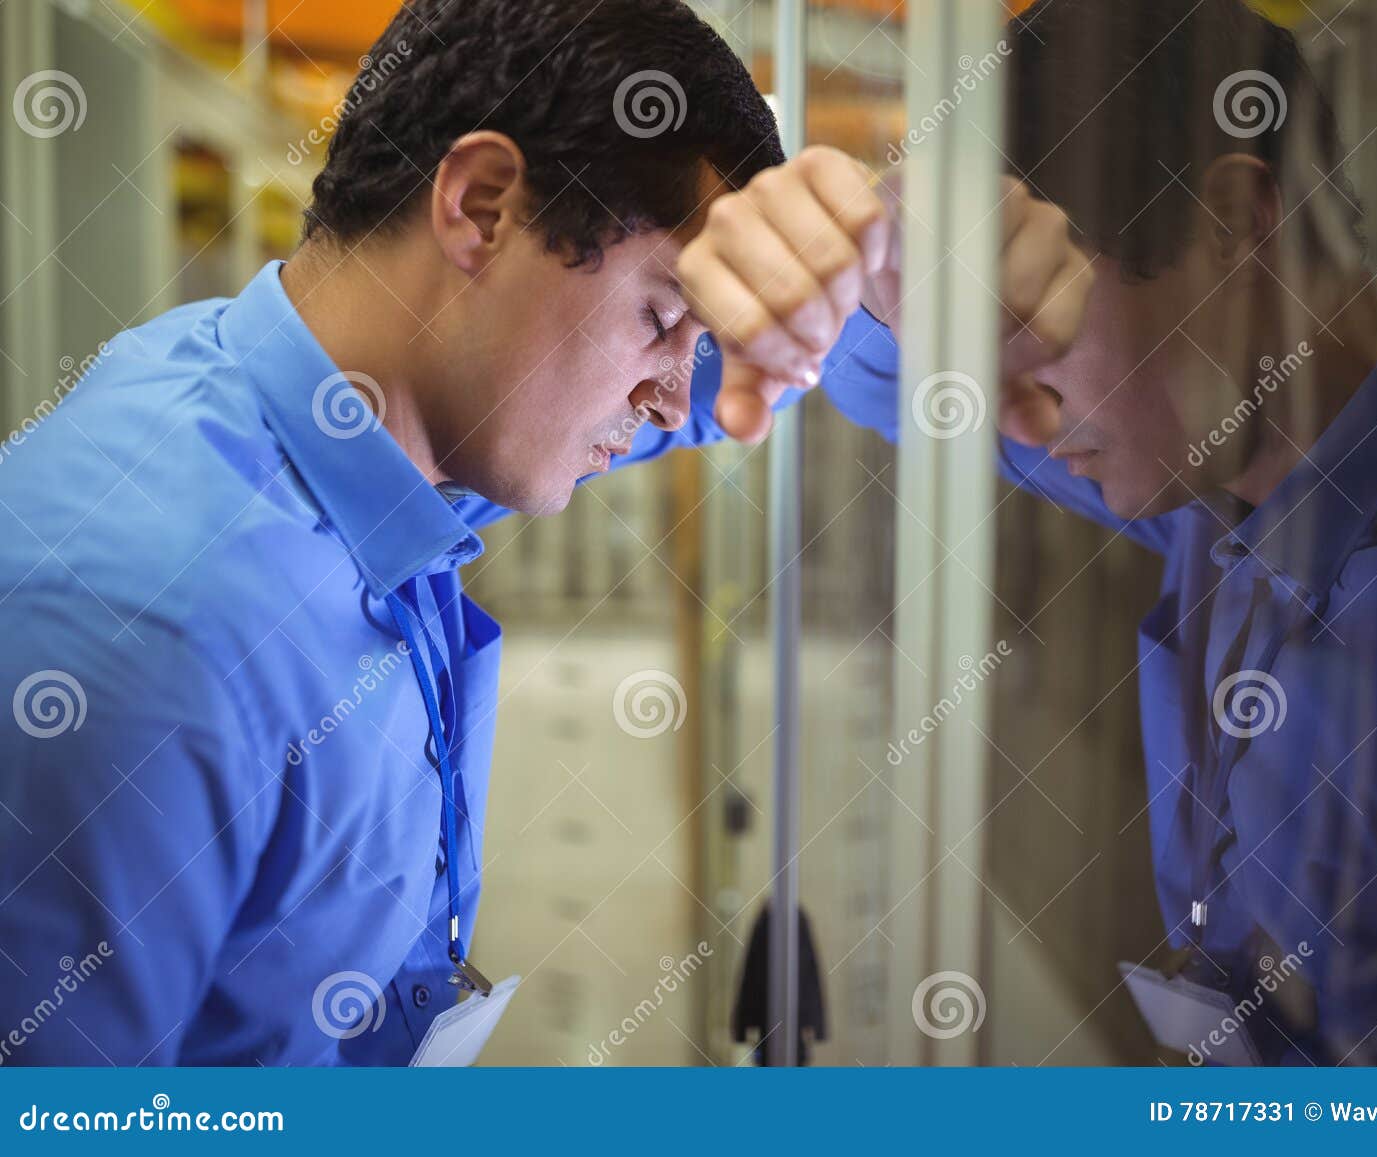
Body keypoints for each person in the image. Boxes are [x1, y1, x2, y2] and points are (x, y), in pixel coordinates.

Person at [0, 0, 1078, 1065]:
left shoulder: (339, 422)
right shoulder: (147, 633)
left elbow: (715, 387)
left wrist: (875, 281)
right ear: (481, 207)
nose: (671, 396)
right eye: (663, 316)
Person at [722, 0, 1377, 1064]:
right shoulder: (1201, 463)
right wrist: (863, 255)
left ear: (1231, 221)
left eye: (1038, 327)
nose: (1013, 408)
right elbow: (874, 377)